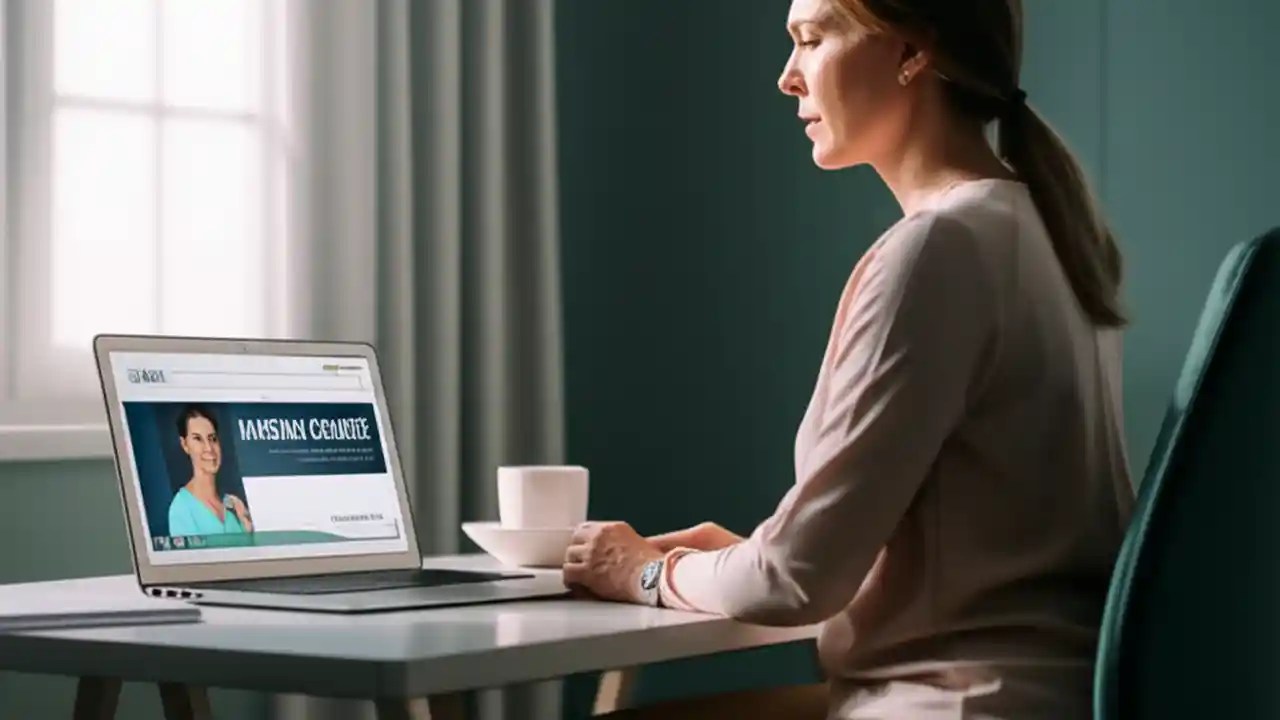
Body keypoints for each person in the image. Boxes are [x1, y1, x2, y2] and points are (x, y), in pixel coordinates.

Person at [562, 0, 1135, 717]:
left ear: (911, 52)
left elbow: (796, 581)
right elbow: (968, 550)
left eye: (811, 39)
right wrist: (741, 560)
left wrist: (646, 573)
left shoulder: (937, 251)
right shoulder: (1047, 233)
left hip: (946, 703)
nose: (786, 78)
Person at [167, 404, 254, 537]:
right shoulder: (181, 509)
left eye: (212, 439)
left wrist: (249, 531)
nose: (209, 448)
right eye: (198, 439)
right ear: (185, 444)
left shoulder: (234, 506)